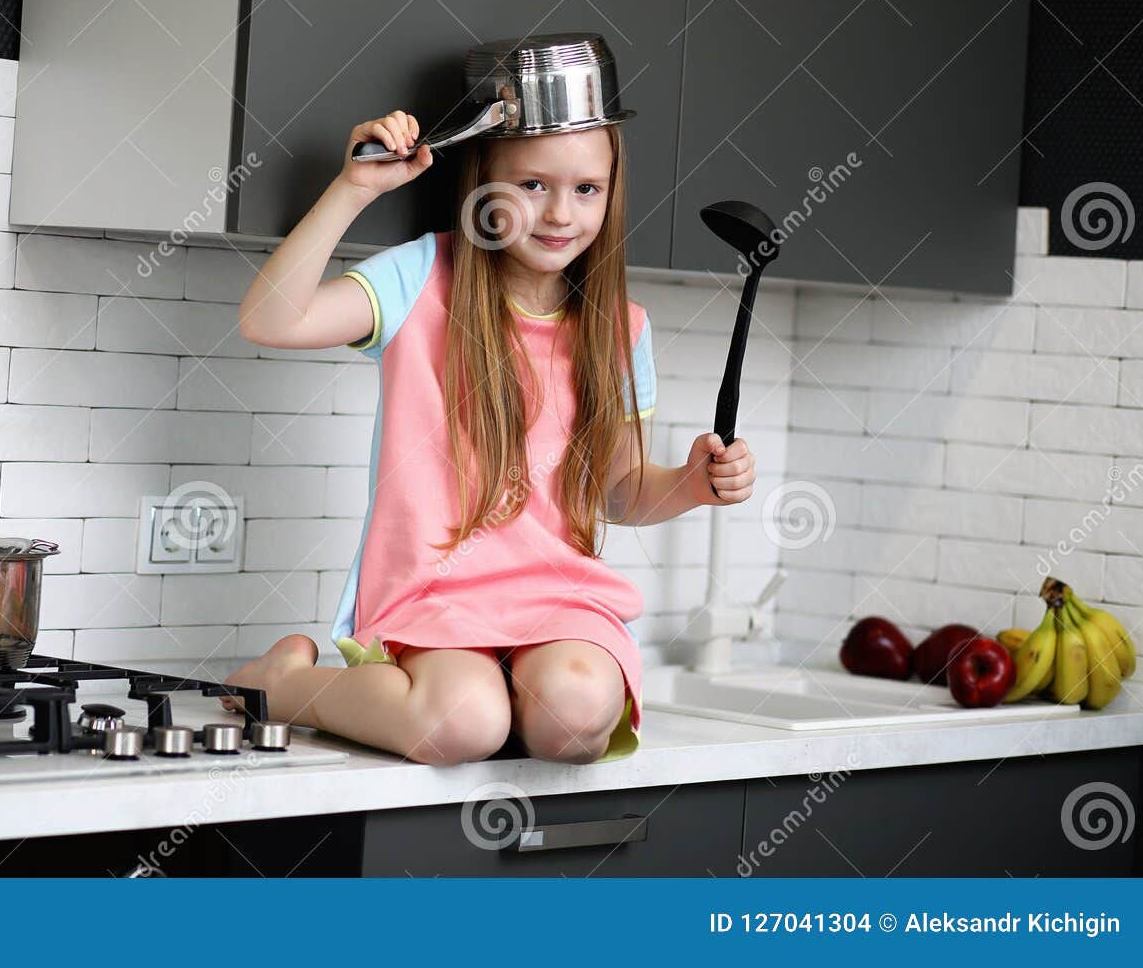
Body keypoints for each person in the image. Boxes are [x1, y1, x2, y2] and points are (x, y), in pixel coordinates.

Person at [221, 108, 756, 765]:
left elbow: (617, 492)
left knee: (580, 715)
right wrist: (354, 189)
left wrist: (690, 485)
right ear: (484, 181)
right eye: (533, 185)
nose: (561, 213)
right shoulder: (420, 278)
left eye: (587, 188)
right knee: (463, 723)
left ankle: (515, 692)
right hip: (436, 596)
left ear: (613, 192)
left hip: (557, 597)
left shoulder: (622, 329)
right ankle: (286, 685)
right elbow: (271, 317)